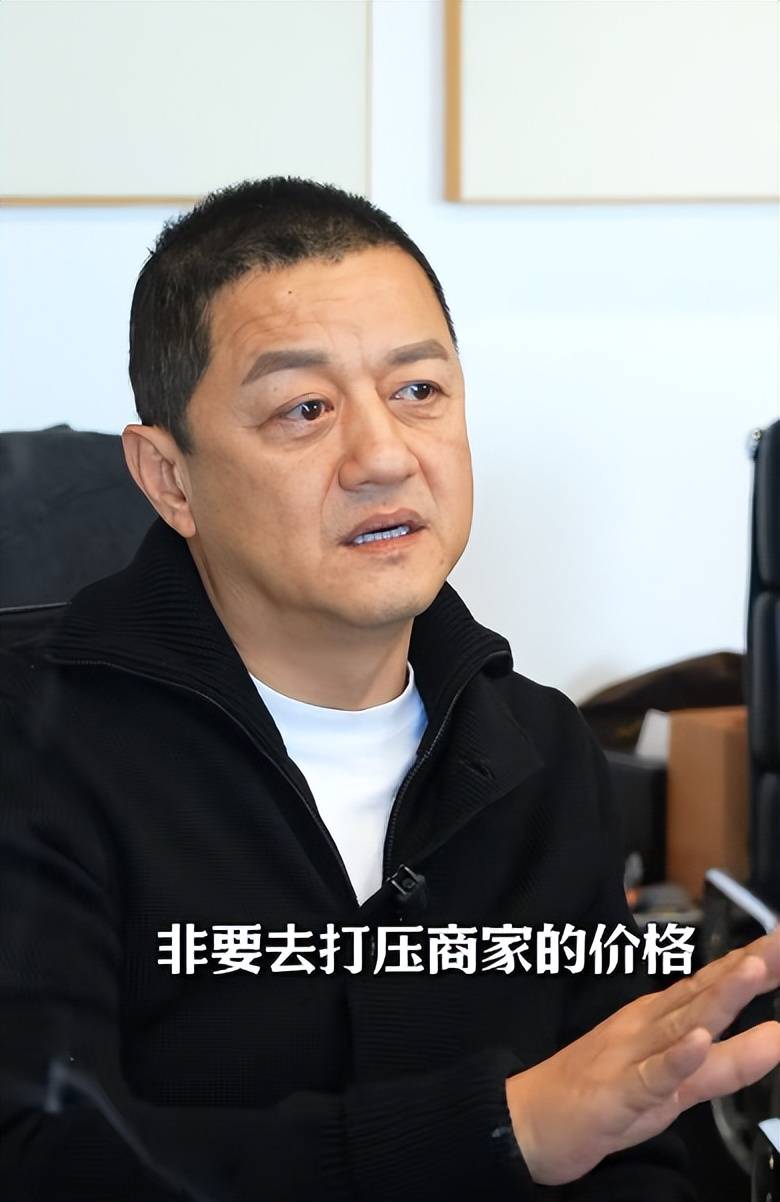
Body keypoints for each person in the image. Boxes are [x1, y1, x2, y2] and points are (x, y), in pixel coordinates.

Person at [0, 176, 778, 1202]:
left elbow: (631, 1142)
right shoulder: (33, 748)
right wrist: (503, 1129)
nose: (382, 457)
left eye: (418, 392)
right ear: (170, 479)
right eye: (304, 409)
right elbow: (36, 1159)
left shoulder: (539, 749)